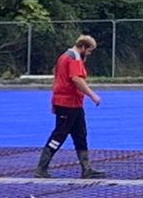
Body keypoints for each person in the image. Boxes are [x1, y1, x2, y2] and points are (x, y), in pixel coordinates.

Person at [36, 34, 105, 178]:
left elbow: (57, 79)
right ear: (84, 47)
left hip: (73, 104)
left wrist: (53, 101)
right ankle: (41, 168)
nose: (89, 54)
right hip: (68, 104)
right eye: (89, 50)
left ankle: (86, 168)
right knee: (59, 135)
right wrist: (93, 95)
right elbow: (76, 79)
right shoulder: (74, 58)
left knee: (80, 135)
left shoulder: (63, 57)